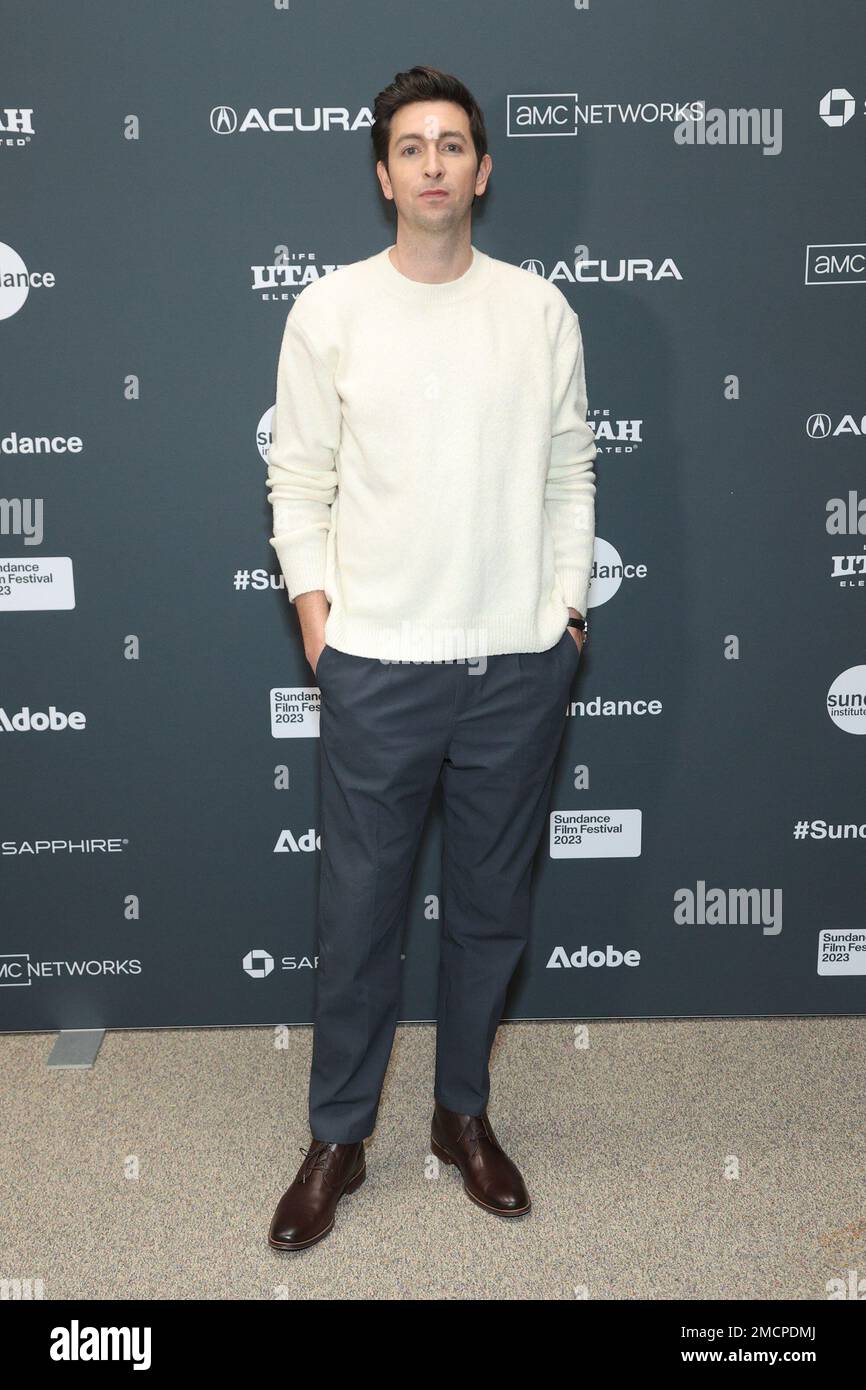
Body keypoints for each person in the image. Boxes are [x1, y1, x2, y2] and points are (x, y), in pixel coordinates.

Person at [265, 65, 597, 1251]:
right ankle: (339, 1135)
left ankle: (462, 1115)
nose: (434, 163)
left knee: (490, 915)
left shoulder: (538, 312)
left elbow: (568, 469)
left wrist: (562, 610)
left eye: (452, 143)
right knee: (356, 915)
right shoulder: (330, 311)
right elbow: (296, 478)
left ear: (482, 169)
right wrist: (320, 620)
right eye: (411, 146)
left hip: (516, 662)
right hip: (378, 666)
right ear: (383, 174)